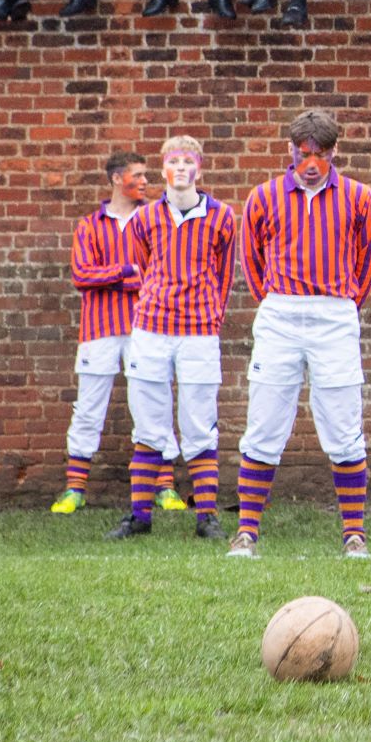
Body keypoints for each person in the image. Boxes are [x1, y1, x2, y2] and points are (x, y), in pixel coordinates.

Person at [230, 109, 371, 560]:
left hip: (335, 313)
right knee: (264, 423)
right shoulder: (263, 197)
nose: (312, 164)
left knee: (343, 425)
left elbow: (370, 259)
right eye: (303, 154)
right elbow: (252, 260)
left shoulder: (358, 197)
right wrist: (275, 300)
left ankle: (354, 534)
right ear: (291, 150)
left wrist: (345, 303)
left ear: (335, 151)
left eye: (321, 154)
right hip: (280, 311)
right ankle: (246, 533)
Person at [114, 135, 237, 541]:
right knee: (149, 426)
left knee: (199, 426)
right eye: (173, 162)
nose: (181, 168)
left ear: (199, 168)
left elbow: (224, 275)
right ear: (163, 169)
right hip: (151, 330)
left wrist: (212, 317)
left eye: (188, 161)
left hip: (198, 332)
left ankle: (206, 517)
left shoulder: (222, 217)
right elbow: (144, 266)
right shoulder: (146, 218)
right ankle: (139, 517)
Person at [49, 151, 154, 517]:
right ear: (116, 179)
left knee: (151, 406)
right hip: (99, 329)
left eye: (145, 175)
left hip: (146, 327)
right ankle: (75, 489)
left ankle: (163, 486)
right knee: (89, 409)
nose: (144, 181)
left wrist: (113, 277)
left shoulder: (154, 220)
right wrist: (126, 272)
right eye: (137, 175)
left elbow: (157, 274)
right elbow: (82, 275)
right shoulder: (89, 226)